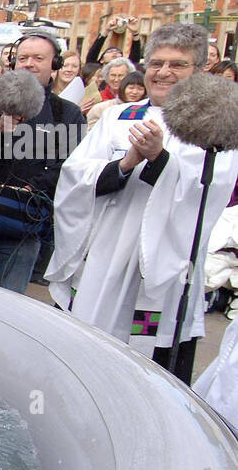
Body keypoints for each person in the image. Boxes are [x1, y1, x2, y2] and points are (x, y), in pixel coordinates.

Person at [47, 22, 238, 384]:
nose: (164, 72)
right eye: (156, 63)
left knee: (149, 372)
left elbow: (212, 189)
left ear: (200, 71)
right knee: (87, 361)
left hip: (163, 272)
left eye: (178, 65)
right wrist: (125, 163)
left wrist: (160, 159)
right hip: (105, 259)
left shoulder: (214, 126)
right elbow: (75, 175)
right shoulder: (120, 116)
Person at [0, 33, 84, 293]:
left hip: (23, 223)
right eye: (23, 58)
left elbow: (66, 166)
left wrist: (30, 189)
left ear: (55, 64)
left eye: (38, 58)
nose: (29, 63)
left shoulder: (66, 113)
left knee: (8, 302)